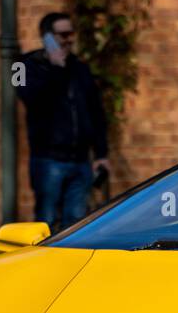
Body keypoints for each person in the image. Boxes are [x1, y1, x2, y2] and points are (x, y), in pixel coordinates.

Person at [16, 13, 110, 233]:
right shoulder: (21, 66)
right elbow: (28, 98)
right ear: (46, 37)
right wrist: (56, 69)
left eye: (72, 34)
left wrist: (101, 154)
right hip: (48, 160)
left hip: (81, 161)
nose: (69, 39)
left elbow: (97, 113)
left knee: (76, 224)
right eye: (63, 34)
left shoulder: (80, 69)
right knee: (45, 221)